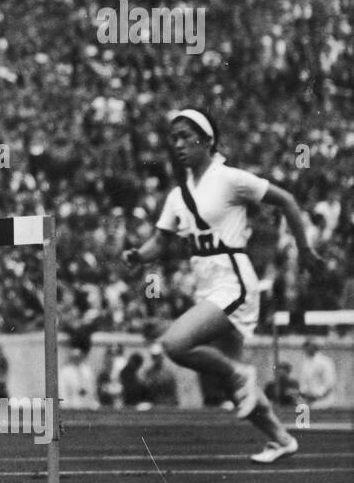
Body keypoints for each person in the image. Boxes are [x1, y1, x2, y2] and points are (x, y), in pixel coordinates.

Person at [122, 108, 329, 463]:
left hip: (234, 280)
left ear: (208, 140)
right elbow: (161, 241)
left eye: (187, 136)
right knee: (236, 388)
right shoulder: (178, 195)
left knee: (175, 343)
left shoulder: (230, 179)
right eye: (174, 138)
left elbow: (287, 201)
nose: (179, 144)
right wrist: (138, 256)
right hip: (206, 281)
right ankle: (281, 439)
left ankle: (240, 374)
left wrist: (305, 248)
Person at [298, 339, 337, 407]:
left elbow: (330, 383)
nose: (307, 349)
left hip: (323, 402)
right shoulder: (306, 363)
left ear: (315, 347)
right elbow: (303, 382)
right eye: (305, 346)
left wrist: (318, 396)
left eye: (309, 346)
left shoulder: (325, 361)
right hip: (308, 401)